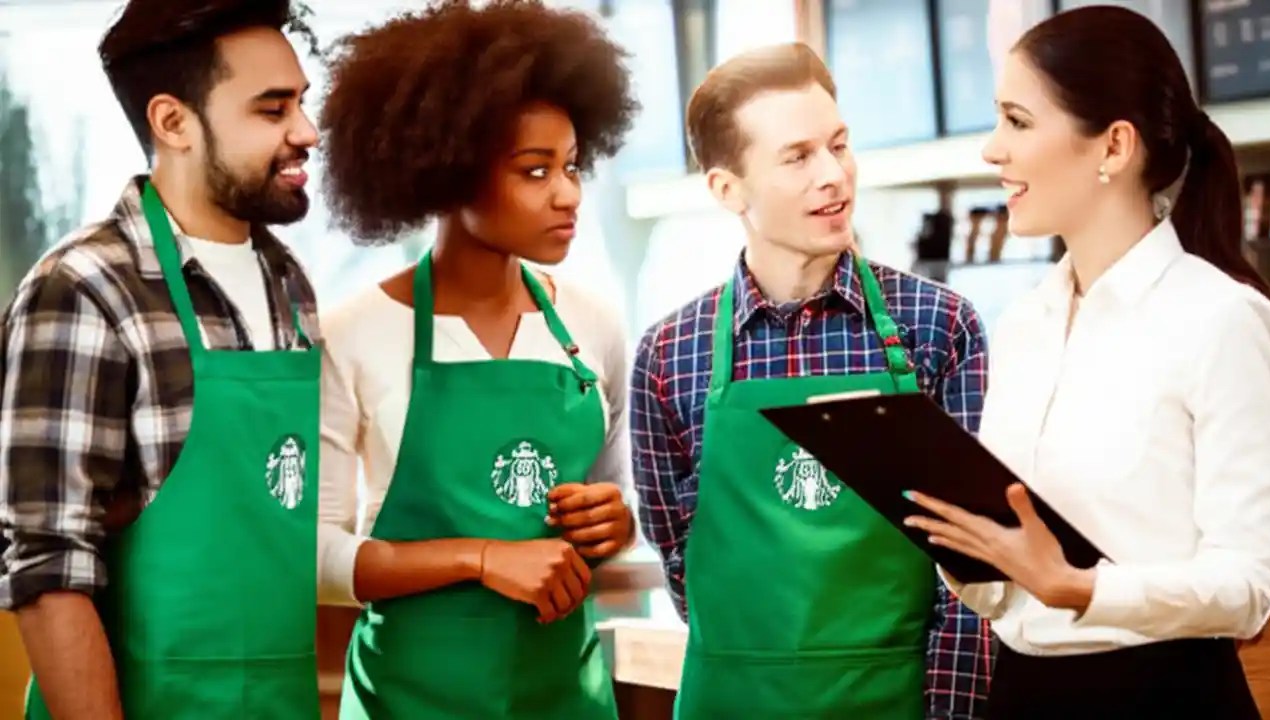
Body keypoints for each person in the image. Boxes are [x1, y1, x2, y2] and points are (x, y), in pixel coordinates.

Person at [901, 6, 1270, 718]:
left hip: (1164, 696)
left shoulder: (1223, 319)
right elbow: (1002, 590)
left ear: (1113, 147)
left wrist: (1082, 587)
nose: (992, 149)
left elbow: (1250, 582)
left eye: (1017, 121)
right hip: (1020, 693)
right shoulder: (1020, 326)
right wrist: (961, 549)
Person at [631, 42, 994, 720]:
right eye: (797, 157)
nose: (833, 175)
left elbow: (974, 578)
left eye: (839, 145)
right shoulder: (667, 356)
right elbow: (685, 569)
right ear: (726, 188)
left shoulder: (938, 328)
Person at [314, 2, 639, 718]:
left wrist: (615, 523)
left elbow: (616, 503)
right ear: (451, 172)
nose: (568, 194)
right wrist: (482, 557)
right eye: (534, 170)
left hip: (566, 697)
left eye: (572, 166)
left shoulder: (593, 323)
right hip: (410, 700)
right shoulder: (354, 333)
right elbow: (318, 561)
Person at [0, 1, 323, 719]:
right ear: (173, 123)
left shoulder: (290, 284)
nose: (308, 131)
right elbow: (48, 568)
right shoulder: (83, 287)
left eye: (301, 103)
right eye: (272, 111)